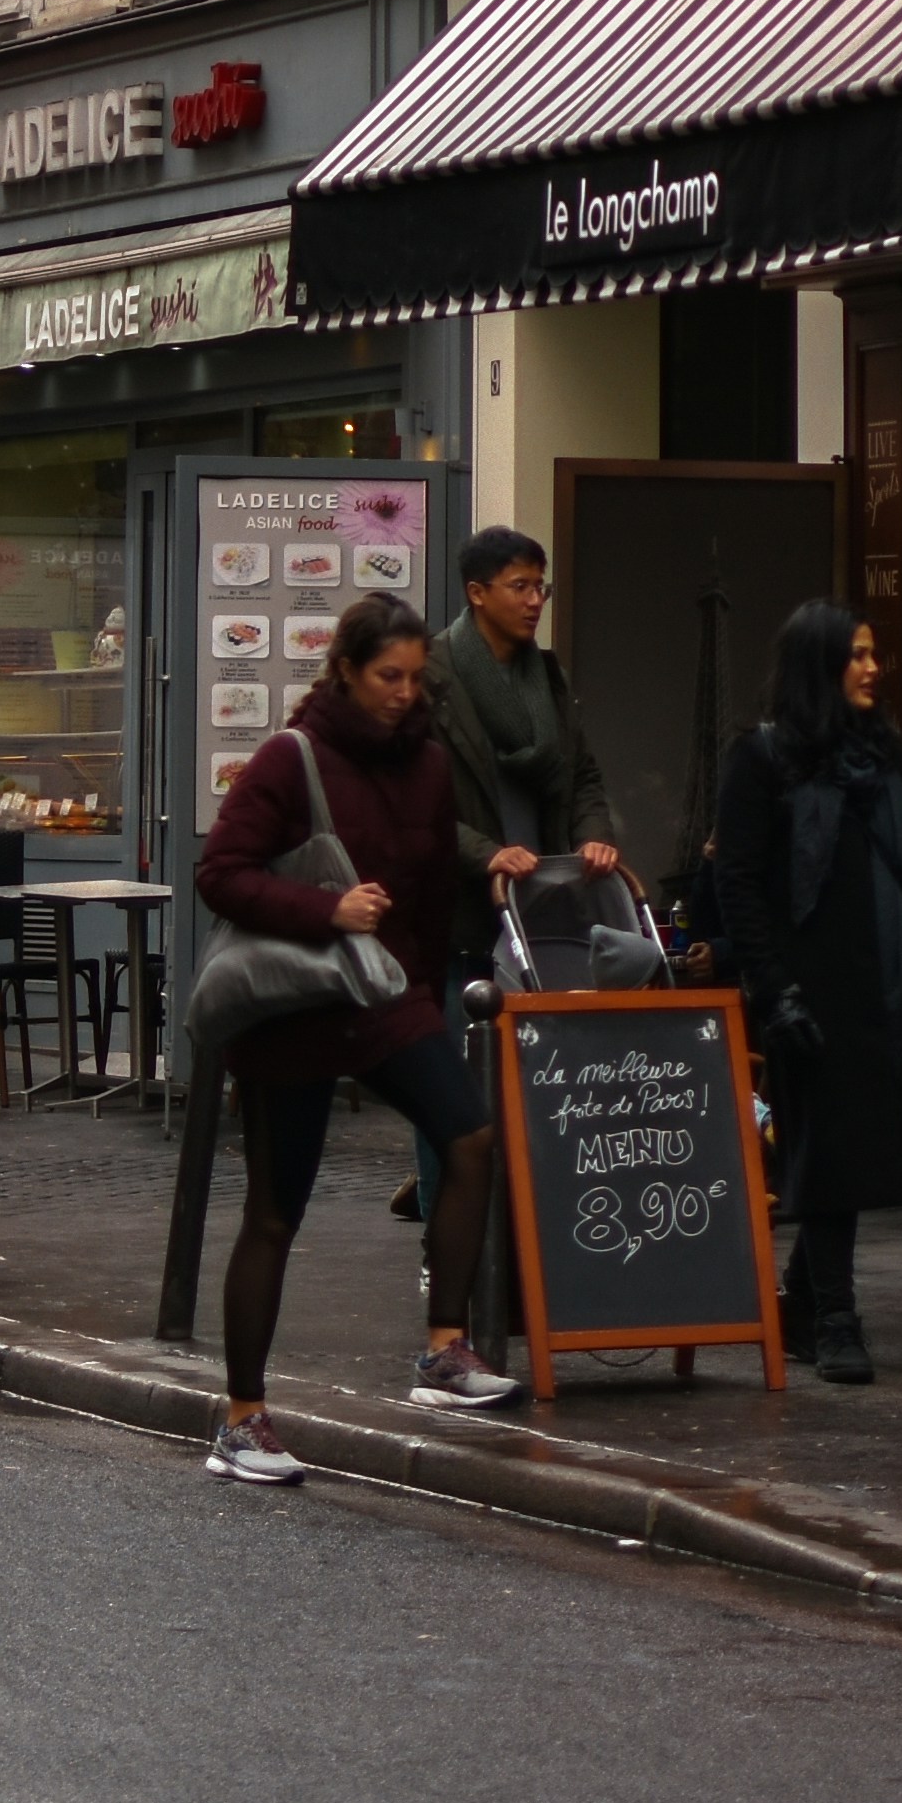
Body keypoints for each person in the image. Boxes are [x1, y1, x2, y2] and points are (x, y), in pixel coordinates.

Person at [193, 591, 516, 1480]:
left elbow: (429, 894)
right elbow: (220, 873)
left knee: (471, 1138)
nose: (403, 693)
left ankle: (444, 1348)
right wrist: (324, 909)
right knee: (275, 1214)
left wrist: (419, 994)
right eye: (386, 676)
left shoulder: (429, 766)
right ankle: (242, 1420)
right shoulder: (290, 758)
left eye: (415, 678)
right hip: (295, 1006)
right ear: (343, 670)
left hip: (383, 995)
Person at [707, 602, 902, 1381]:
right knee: (831, 1148)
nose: (874, 668)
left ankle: (805, 1301)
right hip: (806, 985)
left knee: (860, 1151)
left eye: (875, 654)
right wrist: (773, 988)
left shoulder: (882, 754)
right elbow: (738, 882)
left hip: (884, 981)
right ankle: (837, 1319)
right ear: (819, 666)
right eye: (857, 655)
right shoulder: (762, 758)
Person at [423, 525, 623, 934]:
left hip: (545, 897)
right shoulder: (431, 677)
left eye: (540, 588)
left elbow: (582, 775)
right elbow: (411, 805)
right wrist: (486, 854)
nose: (535, 602)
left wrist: (593, 836)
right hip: (461, 906)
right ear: (477, 593)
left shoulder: (548, 676)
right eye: (520, 587)